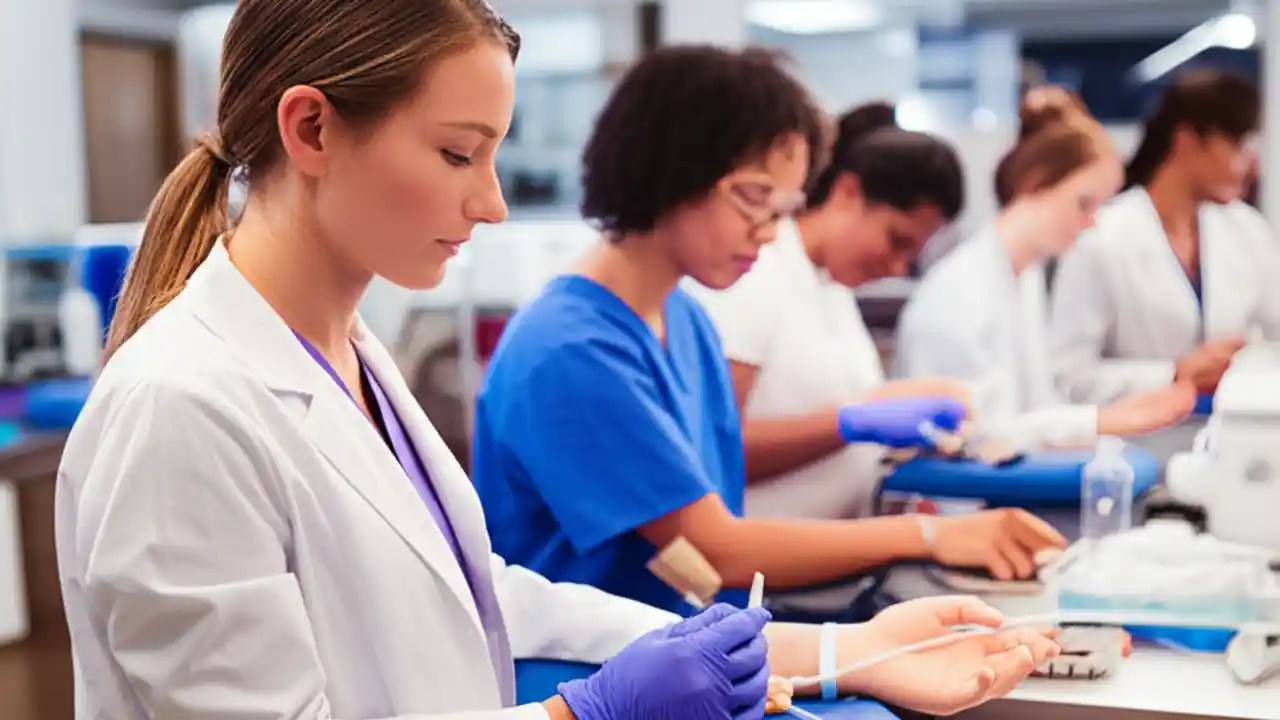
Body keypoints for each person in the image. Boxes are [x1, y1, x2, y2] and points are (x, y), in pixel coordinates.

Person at [54, 3, 1058, 718]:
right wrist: (587, 714)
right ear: (310, 127)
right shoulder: (181, 406)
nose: (489, 203)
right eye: (456, 155)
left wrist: (843, 652)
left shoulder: (343, 353)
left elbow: (486, 595)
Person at [472, 45, 1068, 633]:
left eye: (783, 208)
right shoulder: (572, 349)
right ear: (669, 168)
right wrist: (932, 536)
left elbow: (696, 566)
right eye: (755, 199)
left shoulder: (686, 323)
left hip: (679, 645)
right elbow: (713, 549)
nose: (768, 232)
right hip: (584, 678)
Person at [693, 101, 975, 521]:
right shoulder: (754, 273)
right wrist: (849, 422)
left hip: (834, 567)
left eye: (912, 256)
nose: (897, 268)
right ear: (847, 192)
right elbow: (711, 455)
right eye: (897, 240)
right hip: (765, 577)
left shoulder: (830, 286)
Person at [894, 96, 1196, 452]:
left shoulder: (1023, 278)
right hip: (957, 496)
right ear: (1034, 184)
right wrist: (1099, 421)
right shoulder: (961, 291)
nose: (1092, 222)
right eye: (1084, 203)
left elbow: (1035, 405)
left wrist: (1103, 417)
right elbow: (973, 436)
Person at [1051, 70, 1280, 405]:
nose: (1250, 163)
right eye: (1237, 144)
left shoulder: (1247, 230)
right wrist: (1173, 374)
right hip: (1134, 446)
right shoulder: (1101, 238)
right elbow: (1069, 377)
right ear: (1186, 140)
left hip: (1232, 438)